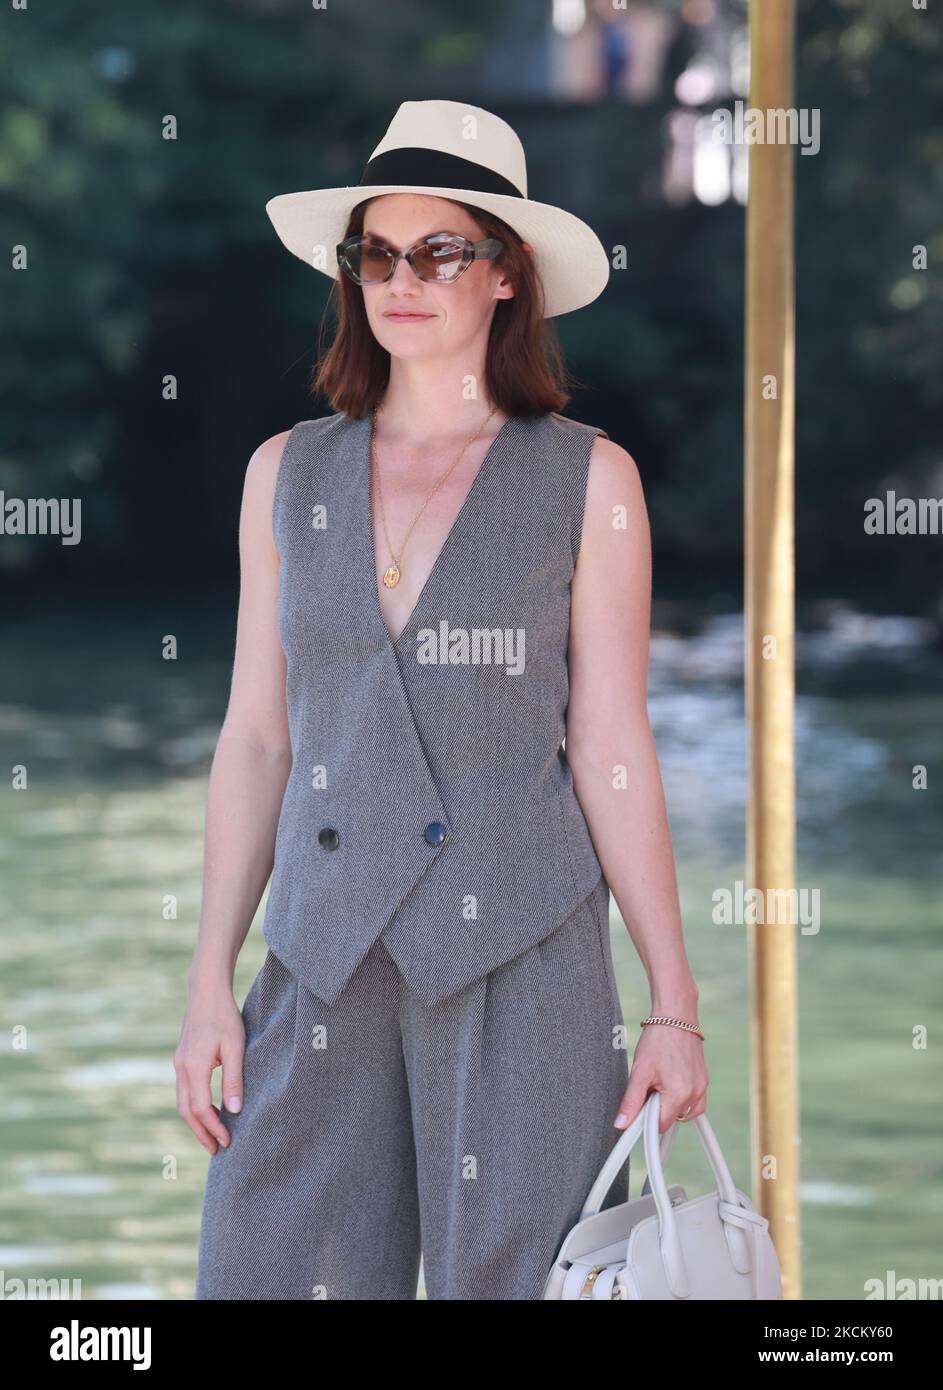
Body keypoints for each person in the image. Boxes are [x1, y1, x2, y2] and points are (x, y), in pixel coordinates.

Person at [177, 99, 708, 1301]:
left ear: (506, 274)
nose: (399, 280)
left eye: (437, 252)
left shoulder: (592, 480)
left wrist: (674, 1003)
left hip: (527, 960)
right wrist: (210, 978)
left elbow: (613, 748)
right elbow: (257, 737)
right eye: (374, 254)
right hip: (317, 960)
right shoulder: (284, 472)